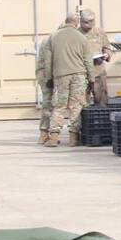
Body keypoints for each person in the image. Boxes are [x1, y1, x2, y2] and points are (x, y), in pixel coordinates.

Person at [44, 16, 90, 147]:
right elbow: (88, 60)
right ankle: (73, 138)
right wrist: (91, 78)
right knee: (76, 106)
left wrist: (49, 78)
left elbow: (48, 61)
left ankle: (53, 136)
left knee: (59, 106)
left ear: (65, 22)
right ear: (76, 23)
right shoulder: (82, 37)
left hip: (61, 76)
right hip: (79, 75)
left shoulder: (53, 37)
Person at [36, 15, 75, 144]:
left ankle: (44, 134)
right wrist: (49, 78)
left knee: (51, 104)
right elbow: (48, 62)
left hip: (51, 74)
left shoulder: (52, 38)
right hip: (47, 74)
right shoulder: (53, 40)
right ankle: (44, 134)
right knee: (49, 104)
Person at [78, 8, 112, 105]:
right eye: (86, 22)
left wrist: (106, 54)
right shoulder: (76, 34)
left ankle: (102, 119)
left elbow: (107, 47)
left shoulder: (99, 32)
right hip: (82, 72)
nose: (89, 25)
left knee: (102, 101)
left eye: (91, 22)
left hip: (98, 71)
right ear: (81, 21)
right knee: (82, 103)